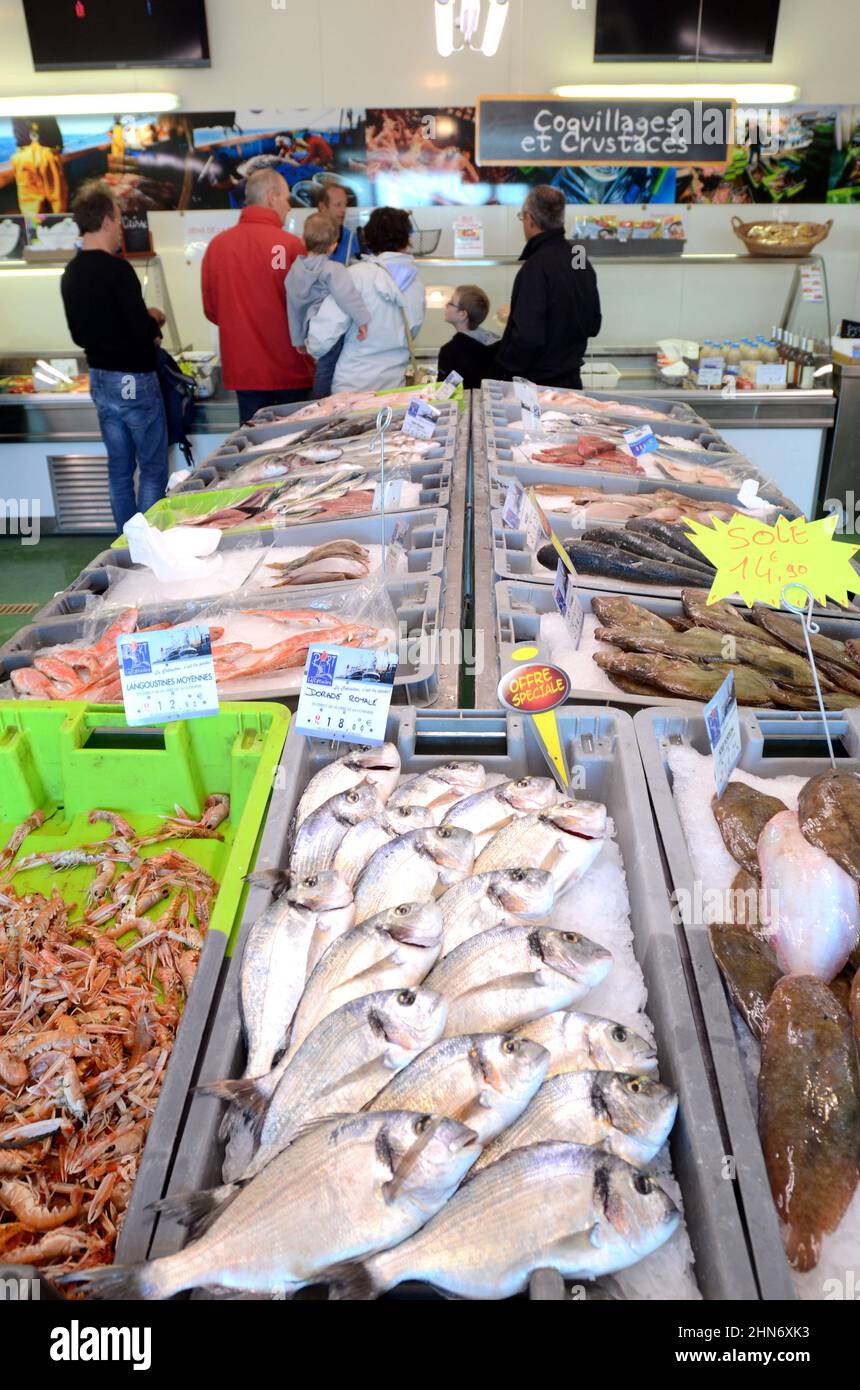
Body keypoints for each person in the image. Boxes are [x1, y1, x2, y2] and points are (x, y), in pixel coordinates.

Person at [60, 180, 168, 531]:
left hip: (102, 378)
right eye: (119, 218)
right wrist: (153, 318)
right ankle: (149, 544)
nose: (121, 226)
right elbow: (139, 330)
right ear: (106, 220)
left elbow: (79, 335)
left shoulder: (71, 273)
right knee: (151, 467)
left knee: (119, 469)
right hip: (132, 379)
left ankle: (128, 542)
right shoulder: (119, 271)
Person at [201, 167, 313, 422]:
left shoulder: (218, 246)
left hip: (245, 373)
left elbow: (212, 310)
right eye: (286, 198)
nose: (289, 207)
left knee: (253, 451)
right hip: (290, 371)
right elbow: (307, 310)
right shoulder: (290, 245)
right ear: (272, 196)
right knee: (296, 451)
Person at [307, 207, 425, 394]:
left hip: (352, 388)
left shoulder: (356, 276)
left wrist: (313, 350)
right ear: (406, 239)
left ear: (369, 237)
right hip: (394, 387)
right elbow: (413, 330)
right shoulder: (415, 283)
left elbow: (324, 334)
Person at [496, 184, 601, 389]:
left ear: (530, 219)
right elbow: (593, 324)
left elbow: (528, 339)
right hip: (571, 385)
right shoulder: (579, 259)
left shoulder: (535, 267)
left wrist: (503, 369)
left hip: (538, 391)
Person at [285, 213, 369, 399]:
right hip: (328, 330)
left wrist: (298, 339)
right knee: (330, 368)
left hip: (310, 333)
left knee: (322, 366)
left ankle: (320, 399)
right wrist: (362, 320)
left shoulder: (294, 271)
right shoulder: (333, 270)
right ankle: (322, 401)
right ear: (334, 245)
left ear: (302, 239)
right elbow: (348, 296)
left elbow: (293, 307)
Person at [438, 285, 499, 389]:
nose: (446, 305)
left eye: (451, 303)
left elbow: (447, 392)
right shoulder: (496, 344)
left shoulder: (450, 352)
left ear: (462, 314)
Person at [318, 182, 359, 265]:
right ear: (322, 207)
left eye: (345, 205)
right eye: (338, 205)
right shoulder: (308, 238)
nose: (343, 210)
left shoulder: (352, 239)